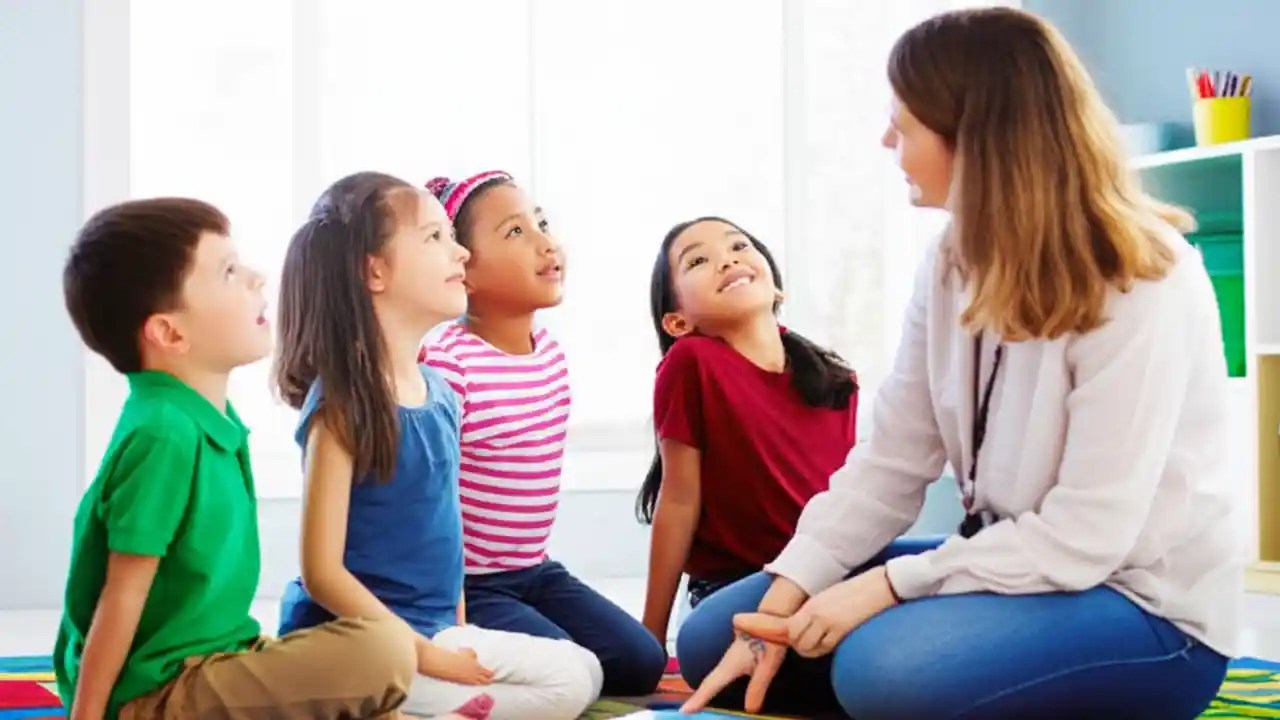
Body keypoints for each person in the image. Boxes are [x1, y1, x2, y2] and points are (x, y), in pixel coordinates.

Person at [677, 8, 1237, 720]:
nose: (888, 140)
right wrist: (789, 594)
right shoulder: (949, 263)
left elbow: (1085, 537)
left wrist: (883, 590)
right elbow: (889, 463)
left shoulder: (1143, 278)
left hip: (1143, 607)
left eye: (903, 123)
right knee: (713, 640)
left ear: (974, 137)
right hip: (1013, 566)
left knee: (884, 673)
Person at [55, 198, 417, 720]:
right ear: (169, 333)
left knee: (377, 687)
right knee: (384, 651)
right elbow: (121, 595)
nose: (257, 277)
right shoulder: (164, 434)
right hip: (155, 693)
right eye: (227, 271)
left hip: (219, 661)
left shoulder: (204, 415)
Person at [272, 172, 602, 720]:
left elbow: (449, 538)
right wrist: (422, 652)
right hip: (359, 644)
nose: (460, 252)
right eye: (435, 238)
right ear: (374, 271)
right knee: (563, 685)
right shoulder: (343, 404)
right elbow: (321, 571)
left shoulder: (442, 394)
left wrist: (459, 631)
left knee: (582, 670)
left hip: (434, 632)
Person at [420, 171, 667, 697]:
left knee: (641, 661)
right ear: (464, 268)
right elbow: (427, 495)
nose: (545, 241)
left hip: (534, 570)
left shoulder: (550, 354)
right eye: (515, 232)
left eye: (542, 223)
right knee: (574, 671)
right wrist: (452, 616)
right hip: (470, 585)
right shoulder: (447, 362)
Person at [637, 217, 859, 650]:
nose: (726, 260)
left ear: (777, 287)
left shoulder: (837, 381)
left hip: (824, 579)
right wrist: (650, 635)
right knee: (706, 646)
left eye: (738, 246)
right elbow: (679, 500)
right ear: (677, 321)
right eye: (698, 260)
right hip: (735, 587)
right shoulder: (691, 361)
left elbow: (849, 504)